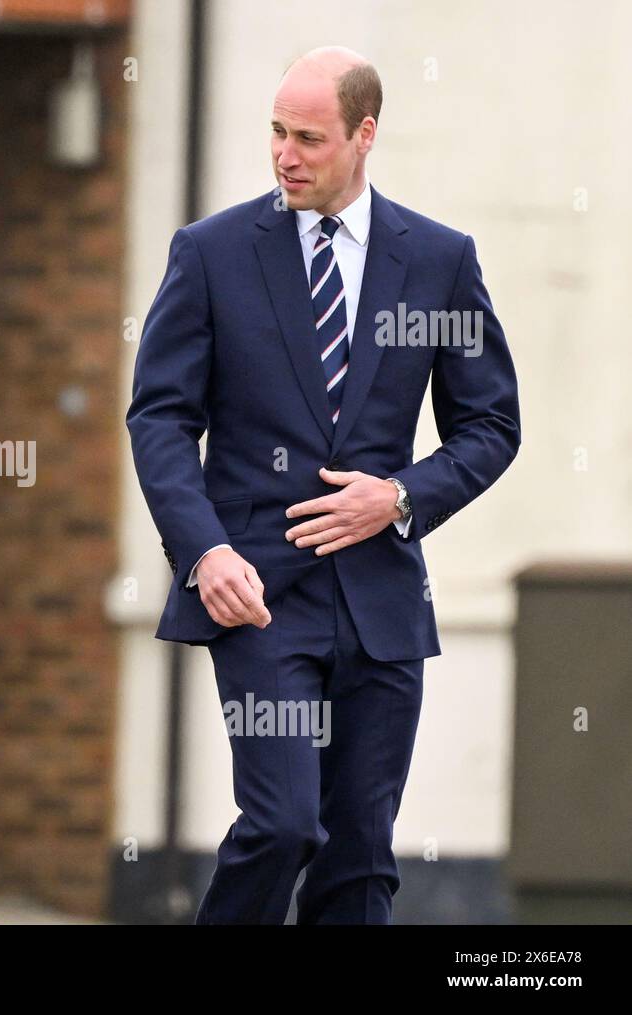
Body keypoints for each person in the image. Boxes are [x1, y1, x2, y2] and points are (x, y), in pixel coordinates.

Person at [126, 47, 521, 924]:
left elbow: (491, 425)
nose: (284, 154)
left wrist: (404, 496)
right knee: (283, 823)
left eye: (308, 137)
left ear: (364, 135)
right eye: (276, 131)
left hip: (382, 604)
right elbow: (158, 418)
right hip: (258, 596)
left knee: (359, 858)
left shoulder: (440, 261)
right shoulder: (213, 253)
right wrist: (205, 550)